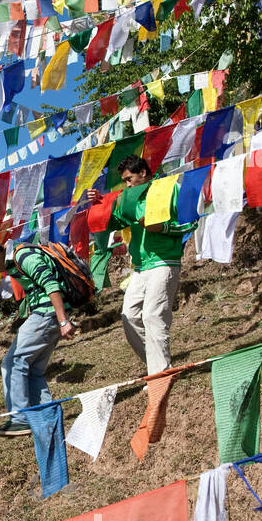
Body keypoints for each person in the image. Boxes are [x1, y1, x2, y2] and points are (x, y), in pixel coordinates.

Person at [87, 155, 197, 376]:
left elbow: (191, 221)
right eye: (124, 181)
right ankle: (158, 367)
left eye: (129, 179)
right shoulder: (127, 198)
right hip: (139, 268)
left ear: (143, 173)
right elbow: (113, 221)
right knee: (129, 318)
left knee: (153, 316)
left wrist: (163, 228)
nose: (127, 184)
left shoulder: (169, 190)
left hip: (164, 262)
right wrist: (100, 203)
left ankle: (160, 375)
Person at [0, 240, 78, 436]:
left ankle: (19, 419)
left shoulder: (23, 255)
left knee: (12, 363)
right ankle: (47, 417)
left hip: (47, 314)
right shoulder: (13, 261)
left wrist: (62, 321)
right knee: (34, 370)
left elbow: (50, 283)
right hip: (46, 315)